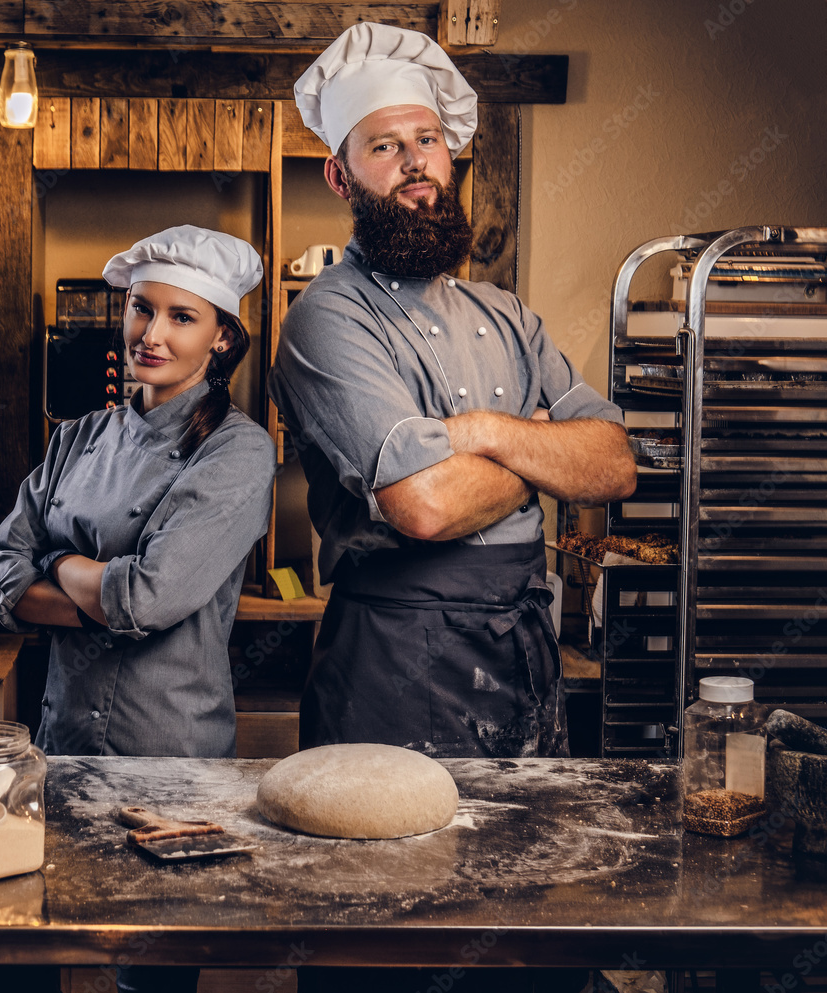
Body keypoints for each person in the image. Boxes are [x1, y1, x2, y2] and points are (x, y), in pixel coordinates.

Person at [269, 23, 637, 763]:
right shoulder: (327, 317)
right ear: (341, 178)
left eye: (428, 140)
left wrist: (484, 432)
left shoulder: (506, 313)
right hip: (394, 663)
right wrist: (539, 454)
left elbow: (613, 465)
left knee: (518, 869)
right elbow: (425, 506)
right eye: (384, 147)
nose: (416, 164)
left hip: (522, 655)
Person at [0, 225, 276, 993]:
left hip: (171, 767)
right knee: (22, 957)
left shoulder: (239, 451)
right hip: (62, 751)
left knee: (152, 975)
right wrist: (101, 590)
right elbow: (0, 577)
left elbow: (151, 597)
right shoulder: (77, 437)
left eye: (182, 317)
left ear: (221, 338)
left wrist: (60, 561)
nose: (152, 333)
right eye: (142, 309)